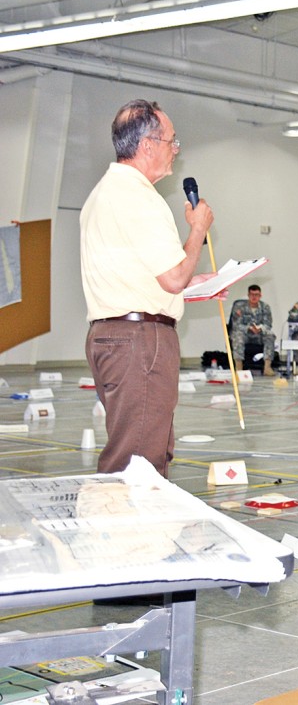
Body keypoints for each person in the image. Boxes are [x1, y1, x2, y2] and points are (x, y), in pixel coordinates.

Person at [81, 99, 215, 478]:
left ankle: (135, 534)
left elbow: (139, 279)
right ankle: (122, 534)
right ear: (148, 145)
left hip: (114, 334)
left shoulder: (104, 194)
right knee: (137, 463)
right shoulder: (139, 198)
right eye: (173, 142)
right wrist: (198, 230)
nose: (176, 151)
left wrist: (196, 284)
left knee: (142, 448)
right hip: (140, 341)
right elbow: (172, 277)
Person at [229, 283, 275, 376]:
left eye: (256, 295)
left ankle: (267, 367)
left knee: (270, 335)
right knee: (237, 335)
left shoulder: (265, 307)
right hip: (245, 334)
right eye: (252, 295)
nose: (254, 297)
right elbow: (236, 325)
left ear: (260, 296)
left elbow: (268, 324)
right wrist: (249, 328)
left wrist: (260, 328)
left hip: (259, 334)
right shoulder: (240, 307)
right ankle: (239, 367)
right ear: (248, 295)